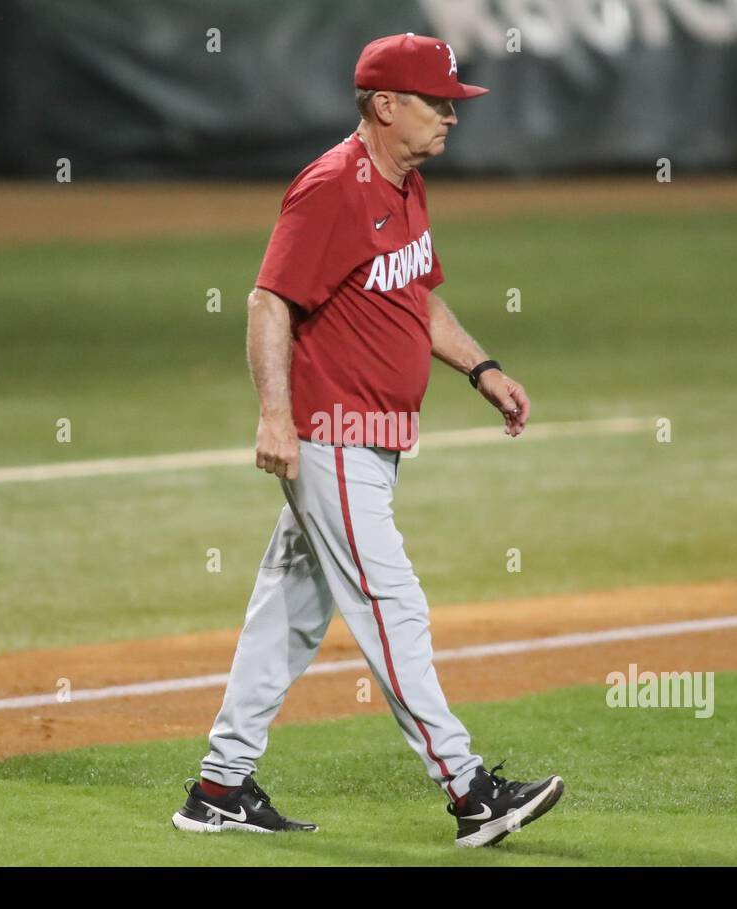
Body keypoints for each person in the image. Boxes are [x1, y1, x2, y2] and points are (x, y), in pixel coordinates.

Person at [171, 33, 564, 847]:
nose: (452, 116)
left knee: (287, 616)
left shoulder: (405, 183)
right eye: (437, 102)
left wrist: (483, 369)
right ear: (386, 106)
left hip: (372, 442)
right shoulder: (331, 189)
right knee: (393, 606)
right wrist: (276, 417)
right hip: (333, 436)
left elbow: (416, 297)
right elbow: (267, 304)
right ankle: (469, 791)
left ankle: (220, 786)